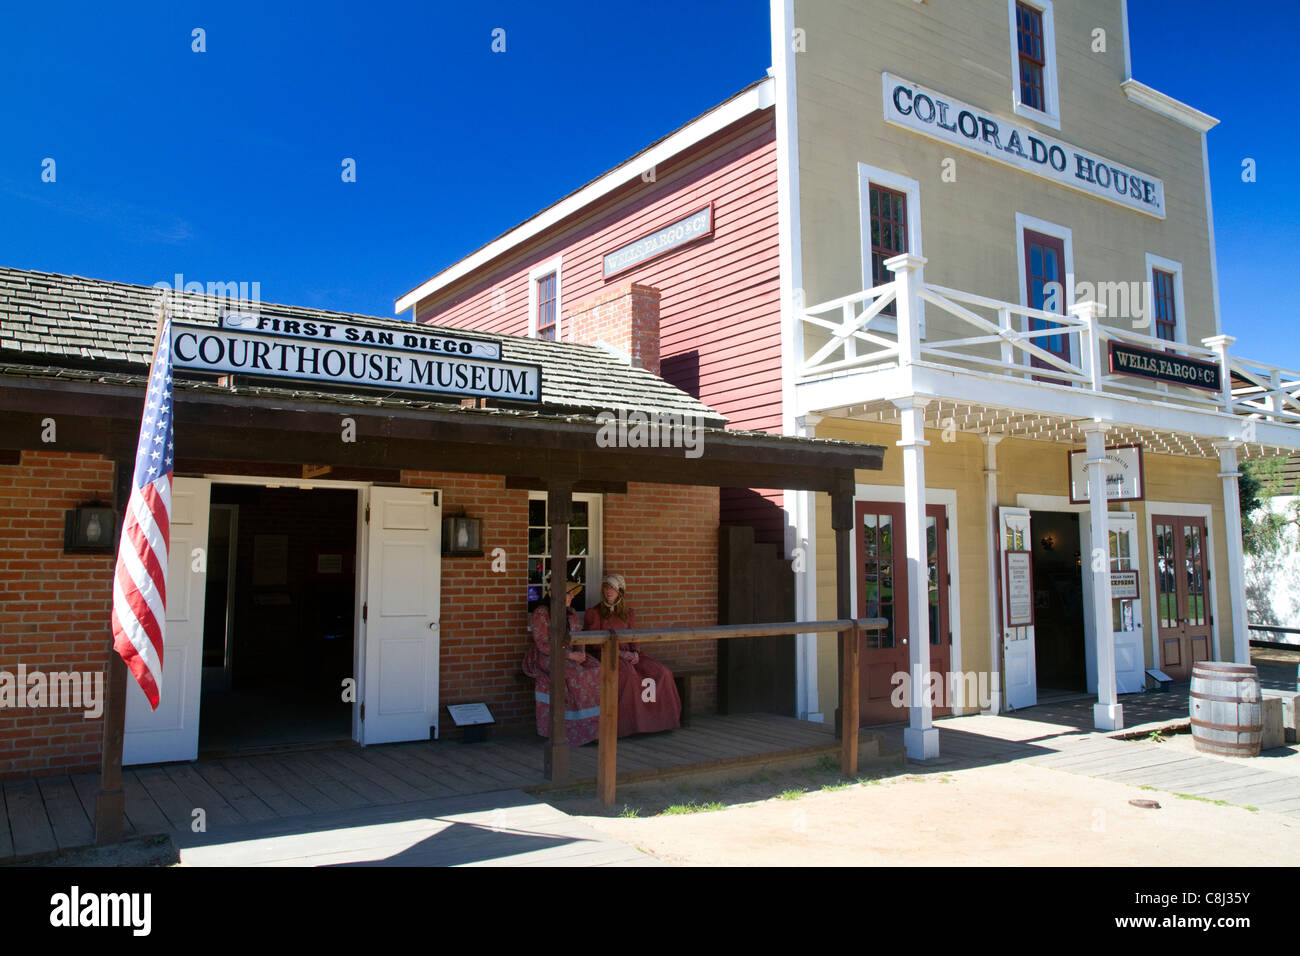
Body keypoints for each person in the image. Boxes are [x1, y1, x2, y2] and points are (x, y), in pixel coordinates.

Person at [583, 573, 681, 735]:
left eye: (613, 588)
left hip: (630, 654)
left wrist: (635, 651)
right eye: (607, 588)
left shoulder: (628, 613)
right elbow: (594, 643)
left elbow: (634, 636)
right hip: (607, 655)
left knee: (662, 672)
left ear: (620, 591)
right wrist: (621, 654)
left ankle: (660, 722)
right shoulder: (594, 613)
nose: (609, 591)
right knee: (628, 675)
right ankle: (630, 726)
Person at [522, 581, 601, 746]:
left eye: (572, 593)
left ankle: (591, 729)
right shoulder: (541, 613)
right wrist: (569, 655)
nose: (572, 596)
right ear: (555, 595)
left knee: (596, 669)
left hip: (571, 654)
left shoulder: (571, 613)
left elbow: (579, 636)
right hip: (547, 655)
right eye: (568, 593)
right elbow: (542, 643)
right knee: (575, 674)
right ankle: (571, 730)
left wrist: (581, 652)